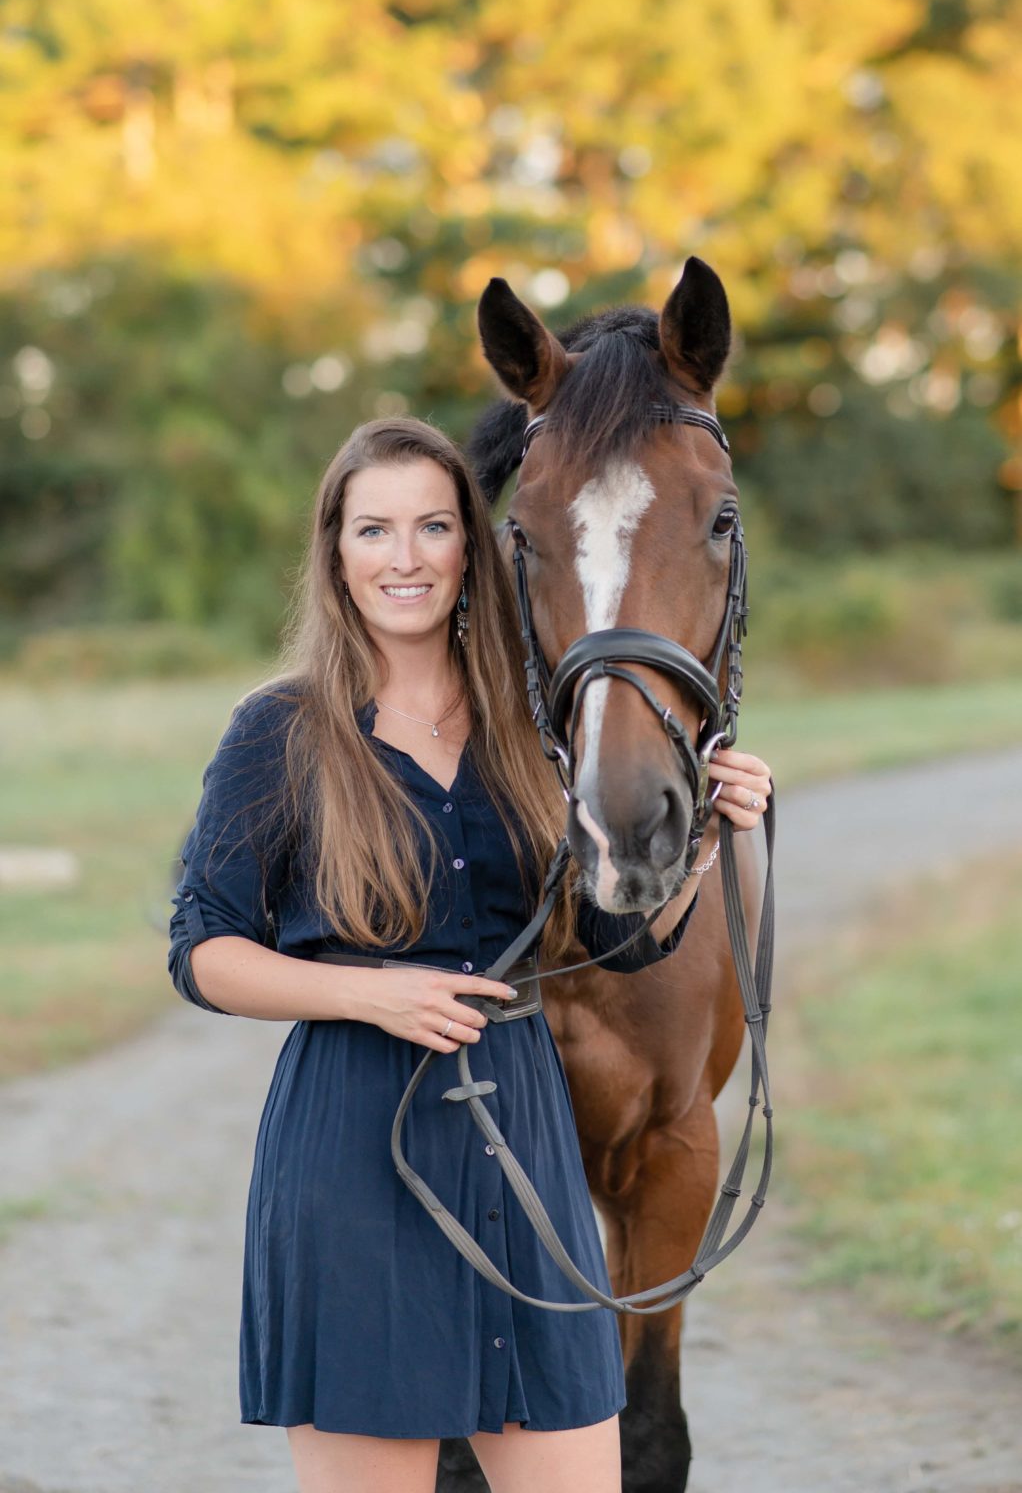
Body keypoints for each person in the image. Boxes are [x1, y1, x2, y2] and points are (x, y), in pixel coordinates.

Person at [167, 417, 772, 1493]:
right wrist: (371, 996)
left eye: (432, 526)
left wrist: (704, 842)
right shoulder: (282, 731)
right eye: (374, 529)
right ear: (336, 551)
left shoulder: (532, 736)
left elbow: (615, 943)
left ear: (472, 548)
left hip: (523, 1141)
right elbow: (202, 950)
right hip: (354, 1153)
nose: (404, 557)